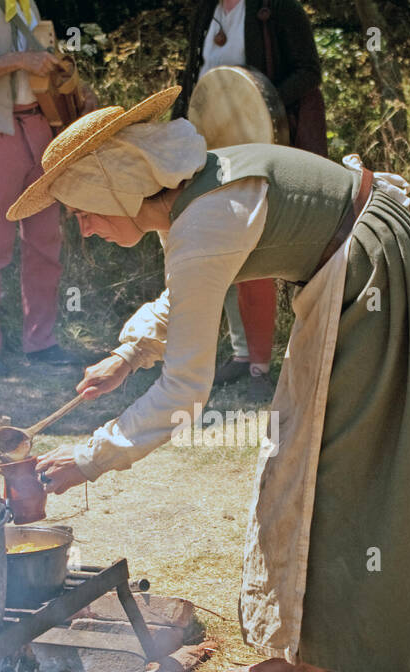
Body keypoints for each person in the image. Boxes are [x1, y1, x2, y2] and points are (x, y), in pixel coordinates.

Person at [11, 88, 410, 672]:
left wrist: (90, 458)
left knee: (331, 462)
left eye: (84, 210)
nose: (85, 226)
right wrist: (129, 356)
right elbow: (191, 290)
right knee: (297, 455)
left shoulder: (205, 217)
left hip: (374, 278)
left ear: (117, 186)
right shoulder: (191, 204)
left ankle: (323, 667)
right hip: (348, 270)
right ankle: (298, 642)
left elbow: (186, 389)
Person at [173, 0, 328, 399]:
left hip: (266, 147)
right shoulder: (206, 10)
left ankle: (264, 366)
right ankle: (242, 355)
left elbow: (310, 73)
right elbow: (194, 76)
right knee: (217, 247)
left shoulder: (277, 8)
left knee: (255, 250)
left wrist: (258, 101)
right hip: (211, 148)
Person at [0, 0, 93, 373]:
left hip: (39, 124)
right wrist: (18, 60)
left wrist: (75, 89)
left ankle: (41, 343)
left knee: (45, 241)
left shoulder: (25, 1)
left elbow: (38, 62)